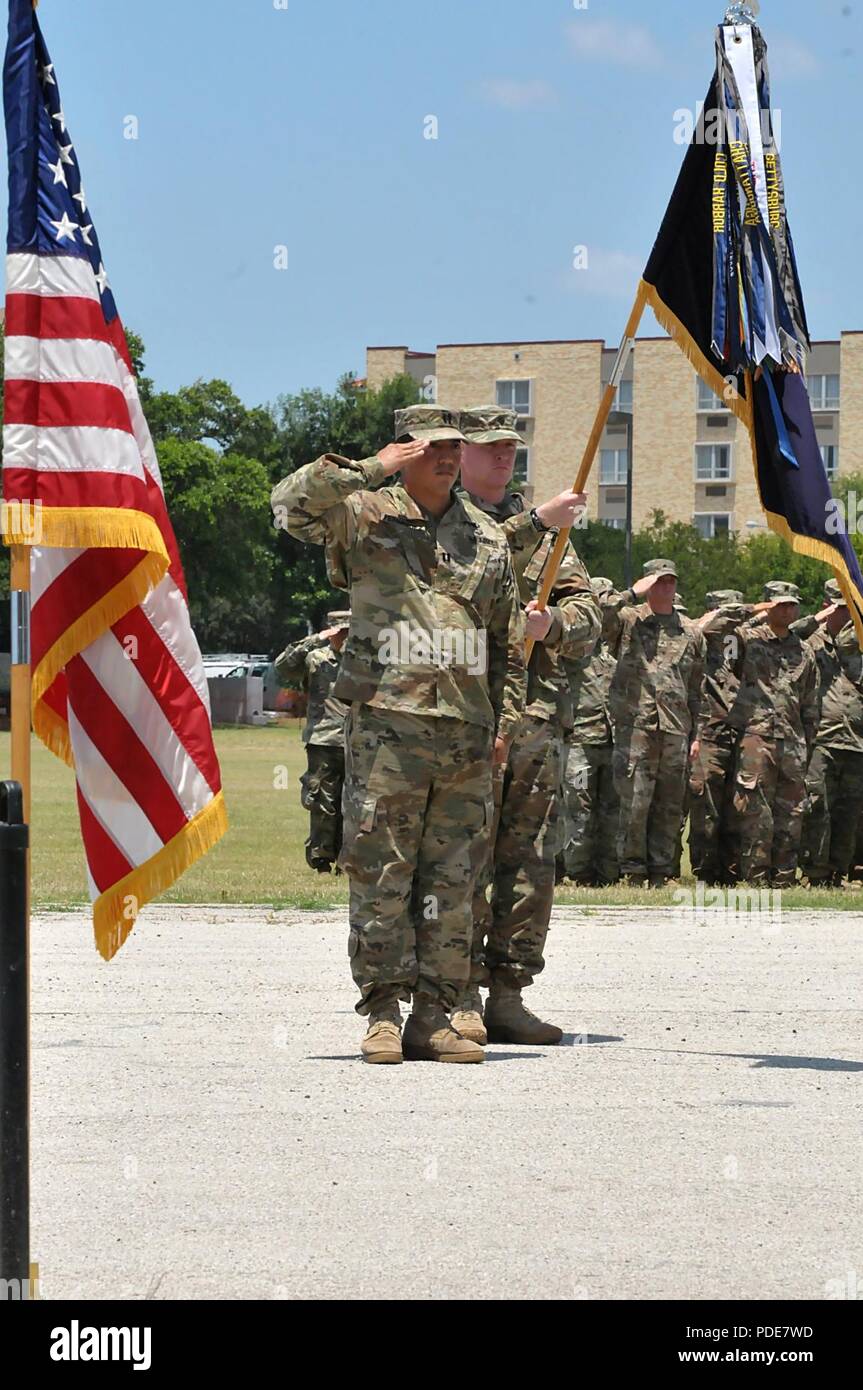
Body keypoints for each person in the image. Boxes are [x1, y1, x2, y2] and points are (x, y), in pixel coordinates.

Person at [271, 404, 525, 1065]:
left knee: (453, 883)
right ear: (406, 448)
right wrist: (371, 468)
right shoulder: (363, 513)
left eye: (454, 446)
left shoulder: (489, 539)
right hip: (385, 723)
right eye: (431, 445)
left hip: (465, 733)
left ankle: (435, 1017)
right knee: (381, 875)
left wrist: (505, 724)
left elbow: (504, 643)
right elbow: (289, 506)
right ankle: (382, 1012)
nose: (445, 456)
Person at [451, 406, 600, 1046]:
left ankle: (508, 993)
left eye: (512, 446)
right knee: (459, 858)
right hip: (465, 717)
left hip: (535, 721)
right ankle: (454, 994)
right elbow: (453, 583)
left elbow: (590, 615)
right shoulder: (442, 523)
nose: (504, 455)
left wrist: (556, 626)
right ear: (459, 454)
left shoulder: (552, 540)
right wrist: (534, 521)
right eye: (490, 447)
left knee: (531, 858)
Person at [600, 560, 705, 887]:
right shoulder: (628, 621)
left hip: (675, 728)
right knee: (634, 803)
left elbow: (697, 688)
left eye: (670, 581)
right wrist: (631, 592)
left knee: (669, 804)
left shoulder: (691, 631)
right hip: (636, 727)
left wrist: (697, 735)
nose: (666, 588)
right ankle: (633, 871)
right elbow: (597, 615)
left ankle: (662, 871)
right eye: (659, 582)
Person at [723, 581, 819, 887]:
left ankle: (784, 879)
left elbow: (810, 703)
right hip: (757, 738)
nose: (788, 609)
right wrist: (751, 612)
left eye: (793, 604)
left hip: (792, 740)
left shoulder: (804, 651)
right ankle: (755, 877)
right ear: (767, 606)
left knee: (791, 812)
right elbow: (716, 632)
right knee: (754, 811)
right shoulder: (747, 641)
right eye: (781, 604)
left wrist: (808, 742)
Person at [793, 580, 863, 887]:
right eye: (841, 606)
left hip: (856, 740)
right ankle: (815, 871)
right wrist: (819, 620)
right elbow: (785, 635)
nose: (847, 612)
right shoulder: (810, 641)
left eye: (851, 606)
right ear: (827, 606)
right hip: (822, 738)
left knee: (849, 810)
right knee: (817, 806)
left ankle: (839, 871)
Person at [275, 612, 351, 874]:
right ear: (330, 633)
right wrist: (314, 640)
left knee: (352, 803)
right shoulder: (316, 659)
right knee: (321, 801)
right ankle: (321, 860)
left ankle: (347, 860)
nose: (345, 637)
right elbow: (283, 666)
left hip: (358, 741)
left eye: (349, 631)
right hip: (323, 739)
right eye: (340, 632)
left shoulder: (362, 661)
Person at [558, 576, 619, 886]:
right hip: (579, 739)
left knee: (611, 808)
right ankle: (577, 873)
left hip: (610, 739)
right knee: (579, 808)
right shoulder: (573, 646)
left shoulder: (611, 646)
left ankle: (607, 874)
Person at [689, 589, 749, 884]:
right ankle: (704, 872)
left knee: (735, 806)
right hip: (709, 733)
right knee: (706, 808)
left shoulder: (741, 643)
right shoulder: (699, 637)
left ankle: (730, 871)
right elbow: (708, 624)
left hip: (736, 733)